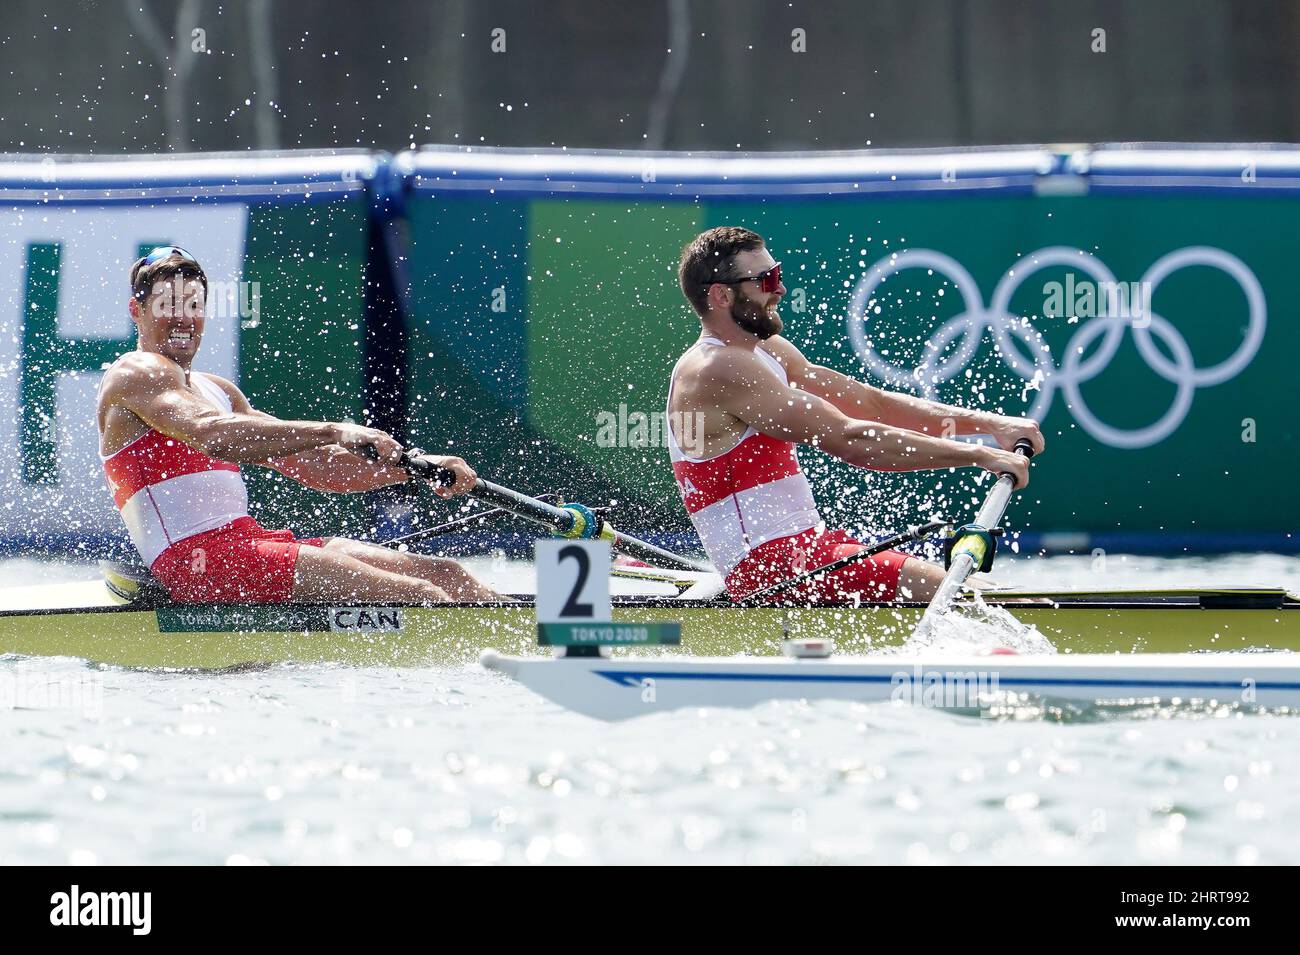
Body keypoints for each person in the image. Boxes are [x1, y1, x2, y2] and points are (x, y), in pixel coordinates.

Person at [97, 246, 500, 604]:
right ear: (137, 311)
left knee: (448, 575)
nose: (183, 317)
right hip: (194, 561)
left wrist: (419, 470)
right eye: (168, 305)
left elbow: (317, 464)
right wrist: (336, 429)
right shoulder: (137, 372)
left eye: (193, 304)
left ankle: (539, 647)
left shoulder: (218, 391)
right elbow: (212, 435)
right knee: (421, 596)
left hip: (250, 544)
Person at [669, 227, 1045, 603]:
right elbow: (853, 441)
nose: (780, 290)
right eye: (766, 280)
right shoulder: (716, 368)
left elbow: (872, 404)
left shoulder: (767, 350)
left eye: (778, 275)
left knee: (974, 591)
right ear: (721, 294)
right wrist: (979, 456)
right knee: (974, 597)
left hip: (806, 552)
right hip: (771, 569)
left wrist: (992, 425)